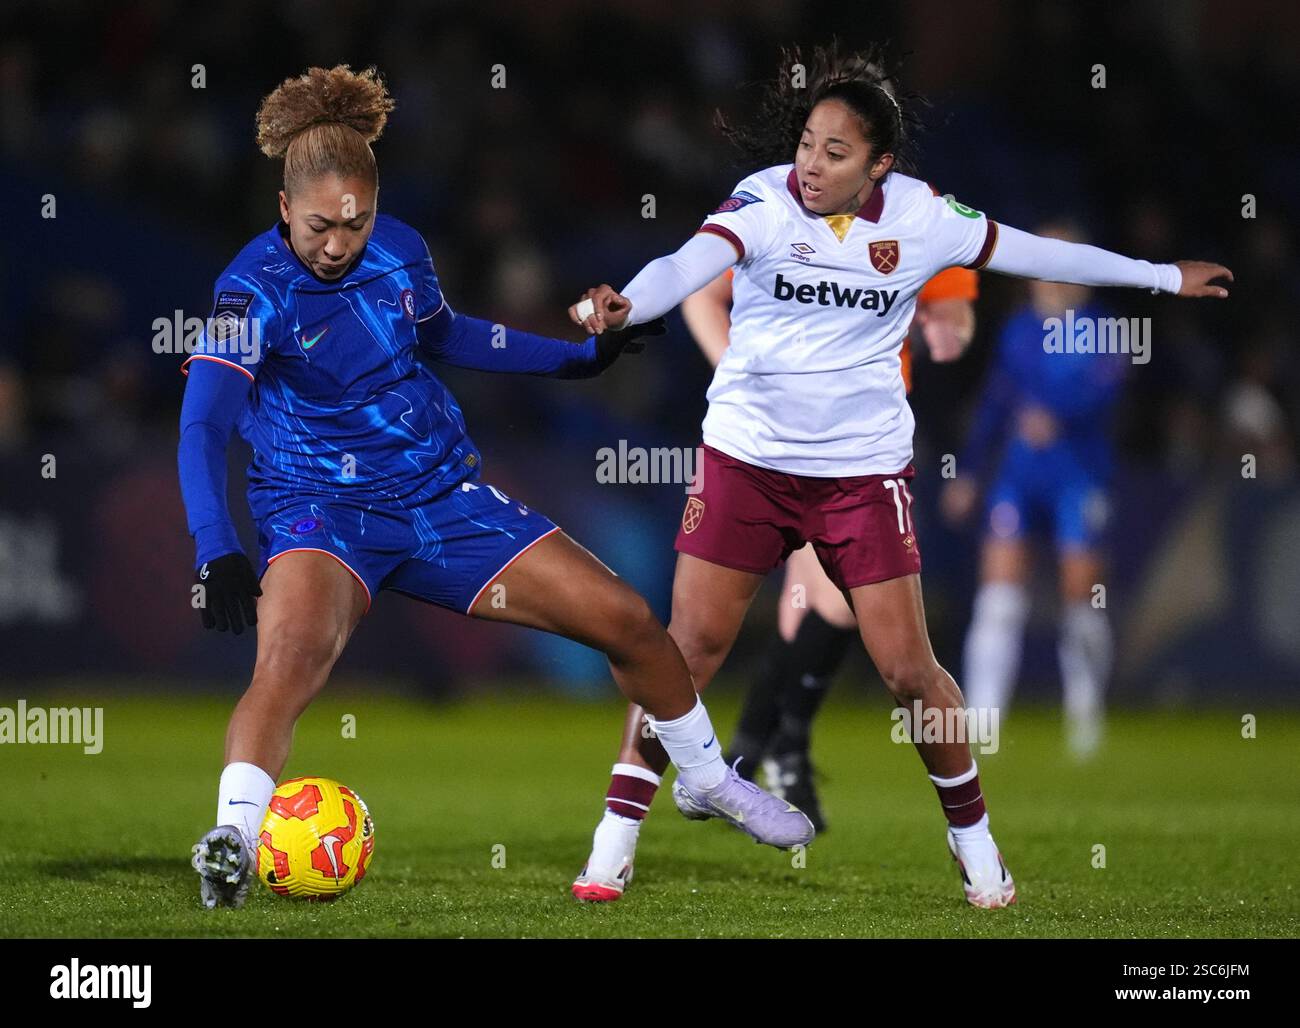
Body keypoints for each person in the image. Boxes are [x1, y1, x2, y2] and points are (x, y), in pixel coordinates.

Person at [567, 43, 1231, 908]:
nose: (810, 164)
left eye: (834, 153)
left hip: (860, 474)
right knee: (683, 654)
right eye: (807, 142)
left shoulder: (924, 218)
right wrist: (625, 301)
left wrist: (1158, 277)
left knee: (911, 672)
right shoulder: (764, 200)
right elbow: (685, 266)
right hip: (747, 460)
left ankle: (976, 846)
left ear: (879, 164)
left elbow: (1038, 255)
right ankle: (610, 848)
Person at [180, 65, 813, 910]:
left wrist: (576, 358)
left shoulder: (401, 250)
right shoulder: (245, 293)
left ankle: (704, 779)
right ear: (285, 207)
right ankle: (231, 838)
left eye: (356, 223)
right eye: (322, 226)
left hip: (443, 498)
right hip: (321, 513)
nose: (339, 243)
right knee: (289, 661)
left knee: (629, 621)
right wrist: (218, 549)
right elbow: (202, 426)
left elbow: (451, 336)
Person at [681, 265, 979, 829]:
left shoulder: (924, 217)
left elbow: (955, 317)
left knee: (832, 609)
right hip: (777, 440)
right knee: (777, 614)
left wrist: (949, 327)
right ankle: (754, 751)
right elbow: (700, 290)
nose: (820, 170)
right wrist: (737, 372)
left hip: (867, 439)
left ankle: (761, 748)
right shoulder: (788, 212)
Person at [942, 222, 1123, 759]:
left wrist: (1056, 415)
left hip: (1079, 474)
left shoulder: (1103, 328)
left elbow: (1108, 391)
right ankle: (983, 721)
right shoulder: (1018, 330)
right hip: (1020, 475)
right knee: (999, 599)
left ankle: (1086, 715)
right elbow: (996, 405)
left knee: (1081, 599)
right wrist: (970, 472)